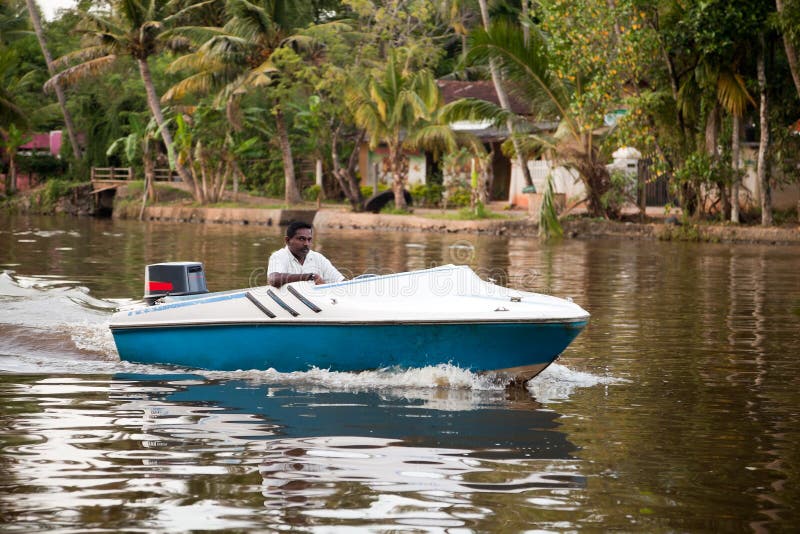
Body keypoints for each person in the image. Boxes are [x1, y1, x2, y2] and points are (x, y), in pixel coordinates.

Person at [267, 221, 345, 287]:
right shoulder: (279, 256)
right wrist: (310, 277)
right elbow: (274, 280)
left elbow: (341, 282)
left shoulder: (318, 258)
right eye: (301, 239)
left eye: (309, 239)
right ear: (287, 240)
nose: (306, 244)